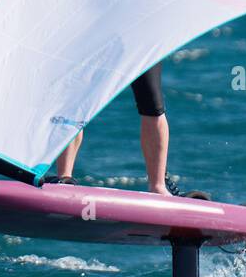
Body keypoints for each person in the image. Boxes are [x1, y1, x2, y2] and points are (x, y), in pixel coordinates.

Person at [45, 62, 173, 195]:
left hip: (140, 50)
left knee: (153, 105)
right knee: (74, 102)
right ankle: (64, 177)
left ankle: (158, 186)